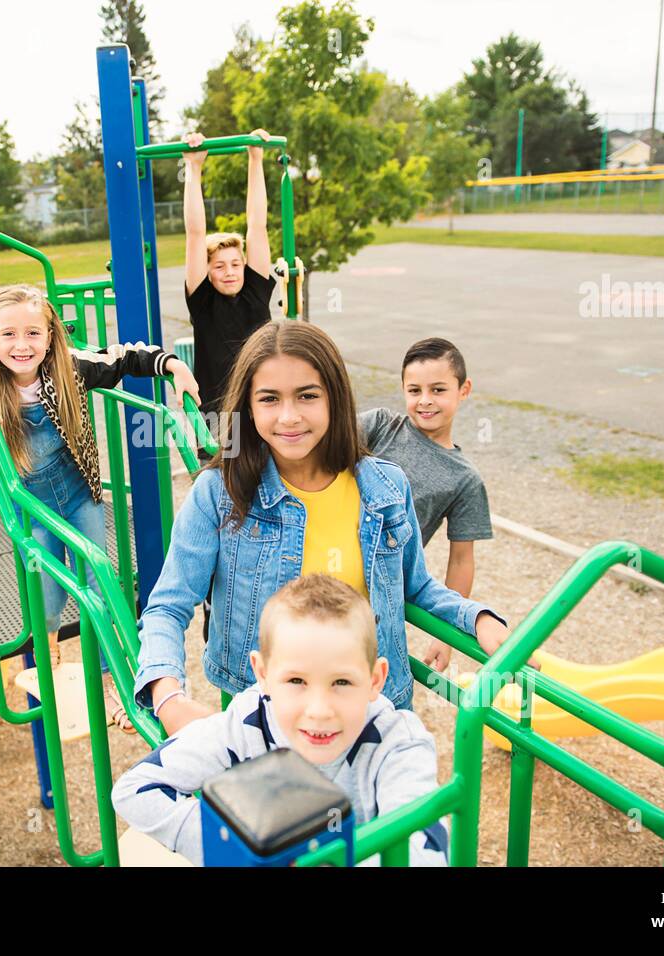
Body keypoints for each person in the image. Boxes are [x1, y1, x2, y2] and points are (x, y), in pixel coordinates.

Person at [134, 320, 516, 736]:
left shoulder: (384, 487)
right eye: (269, 399)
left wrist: (478, 619)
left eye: (307, 396)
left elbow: (417, 588)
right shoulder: (220, 493)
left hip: (370, 709)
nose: (289, 416)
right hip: (269, 718)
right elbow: (167, 607)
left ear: (335, 397)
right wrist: (167, 695)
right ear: (248, 406)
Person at [0, 284, 201, 732]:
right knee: (49, 597)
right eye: (10, 334)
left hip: (78, 496)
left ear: (51, 335)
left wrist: (172, 364)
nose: (22, 345)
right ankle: (49, 653)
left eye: (34, 333)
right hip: (30, 510)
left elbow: (124, 357)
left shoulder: (67, 367)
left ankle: (120, 682)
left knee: (102, 586)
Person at [113, 573, 448, 866]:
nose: (319, 710)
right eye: (296, 681)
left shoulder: (397, 742)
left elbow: (427, 852)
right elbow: (136, 788)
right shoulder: (248, 722)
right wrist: (233, 853)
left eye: (342, 682)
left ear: (375, 680)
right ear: (263, 674)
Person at [359, 337, 493, 616]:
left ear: (464, 390)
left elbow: (460, 560)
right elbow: (323, 443)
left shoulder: (465, 479)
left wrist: (446, 634)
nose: (425, 401)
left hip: (382, 586)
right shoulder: (379, 425)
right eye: (415, 390)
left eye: (438, 389)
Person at [182, 128, 277, 447]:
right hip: (217, 414)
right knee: (222, 488)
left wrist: (255, 158)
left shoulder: (255, 291)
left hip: (262, 405)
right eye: (219, 266)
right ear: (207, 272)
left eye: (236, 264)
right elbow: (195, 234)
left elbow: (257, 224)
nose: (230, 272)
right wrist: (194, 168)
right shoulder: (202, 301)